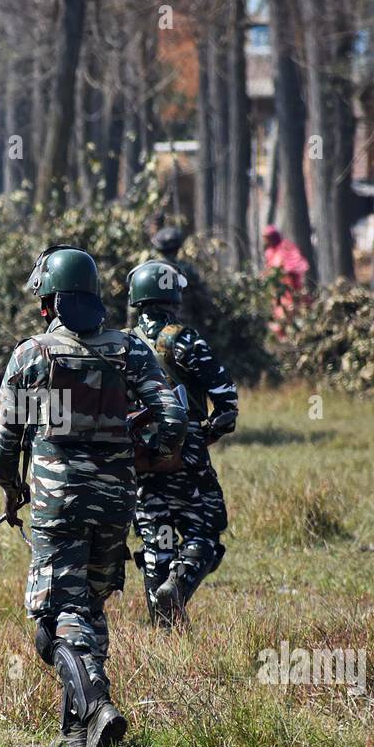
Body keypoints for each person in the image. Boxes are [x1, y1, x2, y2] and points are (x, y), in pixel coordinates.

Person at [0, 245, 186, 747]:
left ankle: (96, 704)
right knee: (88, 610)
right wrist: (152, 452)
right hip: (117, 499)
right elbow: (172, 415)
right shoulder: (128, 349)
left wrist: (13, 488)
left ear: (49, 303)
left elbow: (5, 437)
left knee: (52, 622)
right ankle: (76, 734)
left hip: (59, 502)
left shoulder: (33, 354)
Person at [126, 260, 239, 625]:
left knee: (155, 540)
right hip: (186, 457)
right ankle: (176, 589)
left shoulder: (121, 344)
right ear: (172, 296)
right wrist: (208, 433)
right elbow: (226, 401)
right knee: (203, 531)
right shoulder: (184, 340)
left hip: (139, 458)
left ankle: (162, 623)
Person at [262, 224, 311, 341]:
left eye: (269, 238)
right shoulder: (270, 253)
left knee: (292, 316)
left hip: (291, 291)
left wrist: (285, 271)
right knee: (279, 320)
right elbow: (269, 272)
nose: (267, 241)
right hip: (277, 294)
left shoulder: (285, 247)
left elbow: (298, 264)